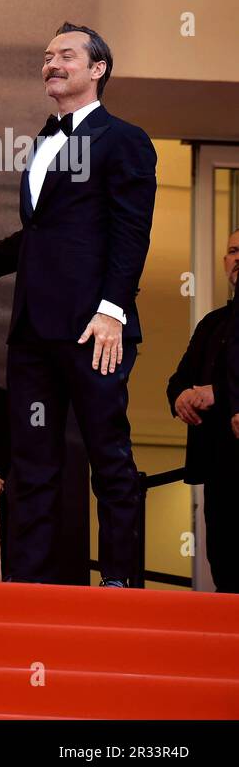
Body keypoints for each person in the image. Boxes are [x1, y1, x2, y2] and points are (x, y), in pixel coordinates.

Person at [0, 23, 157, 587]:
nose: (51, 63)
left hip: (94, 328)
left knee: (109, 457)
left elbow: (131, 233)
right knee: (31, 463)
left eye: (66, 55)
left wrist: (113, 311)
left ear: (97, 68)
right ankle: (28, 586)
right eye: (47, 56)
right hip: (32, 331)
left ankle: (121, 583)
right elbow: (38, 237)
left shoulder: (123, 138)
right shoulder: (42, 139)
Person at [166, 228, 238, 592]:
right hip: (217, 463)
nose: (238, 258)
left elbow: (214, 389)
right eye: (232, 251)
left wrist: (218, 393)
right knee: (223, 562)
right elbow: (179, 379)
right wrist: (180, 397)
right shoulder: (212, 323)